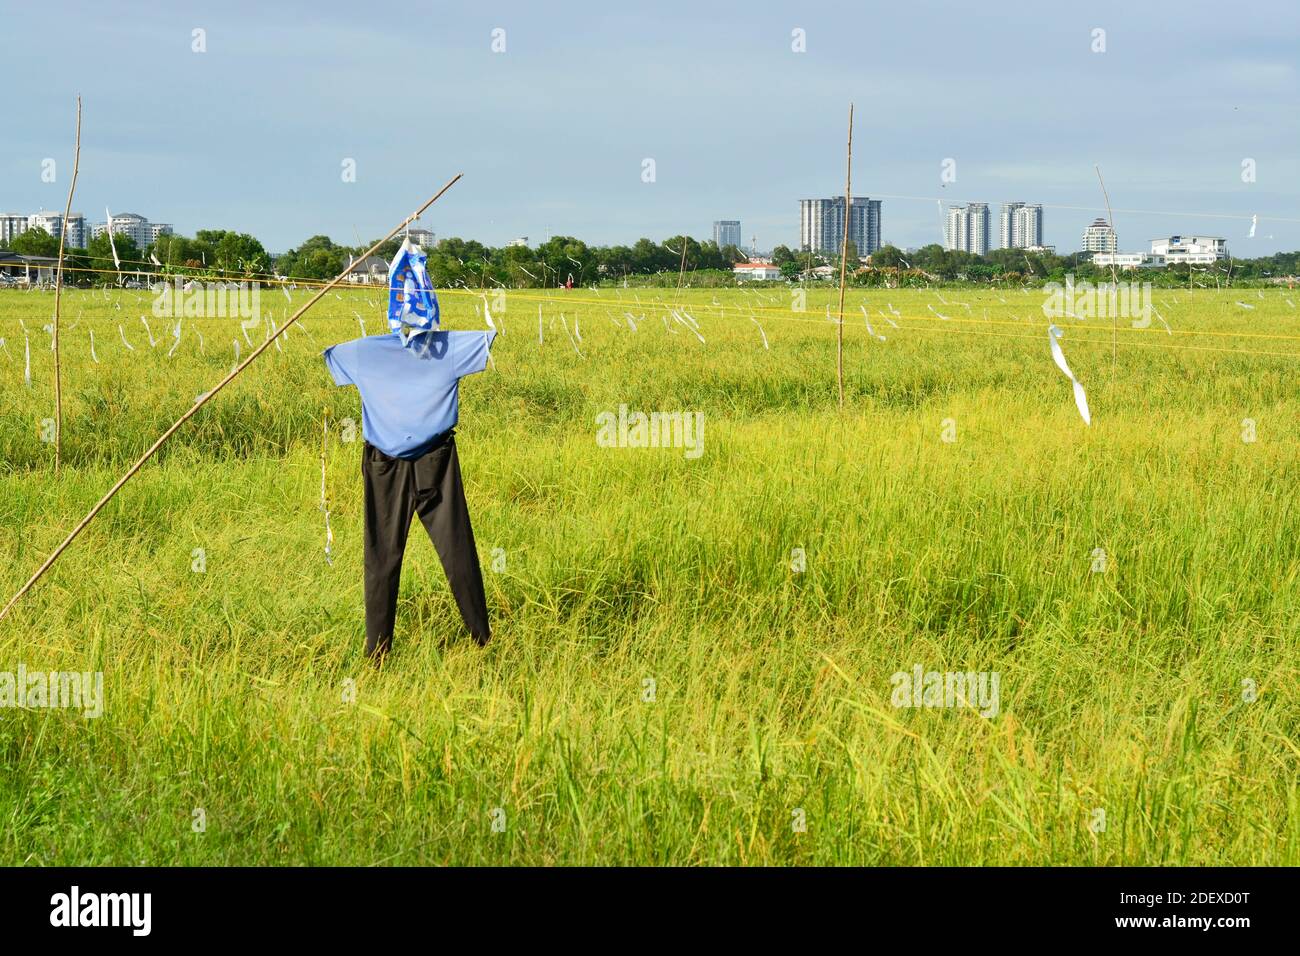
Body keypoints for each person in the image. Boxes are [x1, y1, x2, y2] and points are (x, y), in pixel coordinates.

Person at [322, 239, 497, 660]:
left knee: (456, 552)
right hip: (387, 465)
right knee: (384, 558)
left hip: (435, 462)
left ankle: (482, 640)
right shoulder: (398, 349)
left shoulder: (373, 350)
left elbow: (328, 357)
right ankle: (378, 651)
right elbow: (492, 335)